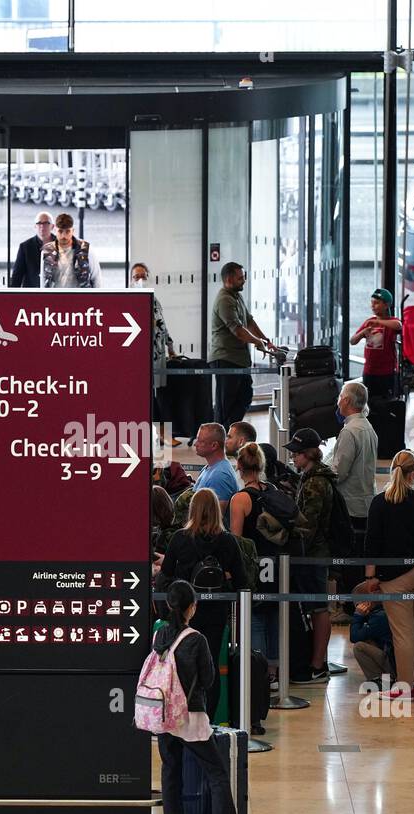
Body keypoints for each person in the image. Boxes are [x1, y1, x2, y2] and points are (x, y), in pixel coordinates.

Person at [153, 579, 255, 814]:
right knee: (216, 772)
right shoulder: (196, 639)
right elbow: (209, 679)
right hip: (190, 715)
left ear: (167, 604)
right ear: (192, 608)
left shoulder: (160, 635)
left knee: (170, 771)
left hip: (164, 714)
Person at [157, 489, 247, 712]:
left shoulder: (180, 538)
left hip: (184, 613)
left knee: (180, 664)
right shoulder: (228, 541)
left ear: (192, 510)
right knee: (210, 665)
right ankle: (207, 718)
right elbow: (243, 582)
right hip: (216, 612)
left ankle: (180, 714)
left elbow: (165, 575)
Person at [364, 450, 414, 697]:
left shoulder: (379, 502)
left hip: (394, 578)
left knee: (403, 634)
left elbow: (372, 542)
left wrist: (370, 576)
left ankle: (405, 687)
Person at [285, 427, 338, 683]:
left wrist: (286, 532)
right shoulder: (311, 477)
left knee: (318, 608)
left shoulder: (315, 482)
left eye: (297, 454)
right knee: (316, 607)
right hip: (314, 552)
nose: (293, 458)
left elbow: (309, 524)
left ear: (308, 454)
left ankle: (318, 665)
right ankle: (317, 661)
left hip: (313, 554)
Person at [229, 443, 281, 675]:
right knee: (273, 617)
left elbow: (236, 540)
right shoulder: (274, 491)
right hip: (277, 564)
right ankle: (273, 671)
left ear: (239, 466)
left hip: (254, 566)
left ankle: (257, 674)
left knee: (256, 619)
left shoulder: (240, 499)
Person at [209, 262, 274, 427]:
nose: (244, 280)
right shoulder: (224, 300)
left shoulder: (236, 296)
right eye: (240, 278)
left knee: (245, 395)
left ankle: (229, 433)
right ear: (229, 279)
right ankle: (222, 436)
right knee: (226, 404)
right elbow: (237, 330)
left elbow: (249, 321)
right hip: (225, 358)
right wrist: (257, 341)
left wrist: (265, 340)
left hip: (239, 358)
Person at [326, 381, 378, 532]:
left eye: (341, 396)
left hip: (349, 506)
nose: (339, 401)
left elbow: (339, 473)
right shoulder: (368, 427)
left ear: (347, 400)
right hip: (366, 502)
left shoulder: (349, 431)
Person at [136, 262, 178, 446]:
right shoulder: (132, 300)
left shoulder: (154, 300)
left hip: (158, 355)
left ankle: (164, 435)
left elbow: (163, 326)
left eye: (143, 276)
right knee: (149, 398)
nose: (140, 280)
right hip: (141, 358)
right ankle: (161, 434)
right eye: (136, 276)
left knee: (160, 397)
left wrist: (171, 348)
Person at [350, 288, 401, 401]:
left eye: (377, 303)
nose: (373, 306)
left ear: (386, 305)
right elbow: (352, 341)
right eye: (372, 303)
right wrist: (363, 333)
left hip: (386, 372)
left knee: (386, 402)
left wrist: (378, 321)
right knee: (369, 403)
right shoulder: (369, 322)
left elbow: (399, 325)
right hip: (369, 371)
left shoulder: (391, 321)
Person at [40, 212, 102, 288]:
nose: (64, 236)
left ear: (73, 231)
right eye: (60, 231)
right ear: (55, 230)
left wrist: (96, 298)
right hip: (55, 298)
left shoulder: (86, 249)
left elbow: (96, 277)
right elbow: (43, 280)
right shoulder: (47, 251)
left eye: (67, 231)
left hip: (81, 297)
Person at [350, 579, 394, 685]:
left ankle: (379, 681)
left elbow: (354, 636)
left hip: (393, 662)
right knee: (368, 640)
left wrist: (358, 615)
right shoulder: (387, 609)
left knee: (359, 647)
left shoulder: (379, 617)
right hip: (395, 658)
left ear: (366, 602)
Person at [191, 423, 238, 505]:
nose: (195, 444)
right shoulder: (210, 467)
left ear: (214, 445)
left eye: (200, 441)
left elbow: (218, 516)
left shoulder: (219, 476)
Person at [10, 211, 54, 288]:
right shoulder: (25, 247)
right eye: (39, 223)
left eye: (46, 223)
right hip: (31, 294)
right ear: (35, 226)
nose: (42, 226)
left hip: (56, 293)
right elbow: (17, 275)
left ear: (53, 226)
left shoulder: (61, 245)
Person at [224, 420, 256, 489]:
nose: (225, 441)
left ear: (241, 441)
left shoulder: (239, 474)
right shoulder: (257, 467)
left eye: (229, 437)